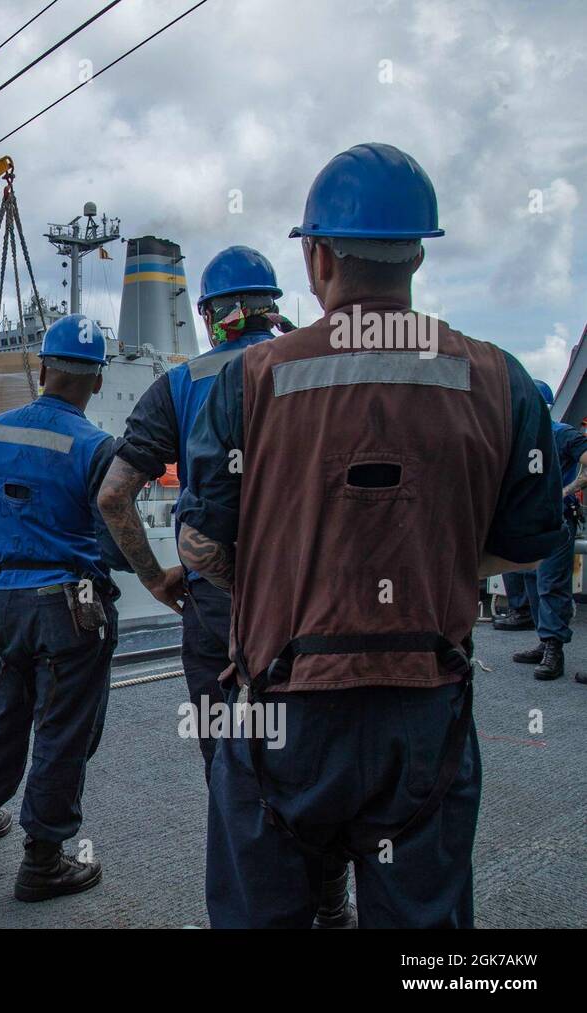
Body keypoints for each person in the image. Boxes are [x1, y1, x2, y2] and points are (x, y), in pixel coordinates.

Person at [175, 142, 562, 928]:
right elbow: (529, 543)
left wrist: (290, 577)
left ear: (316, 258)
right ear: (418, 254)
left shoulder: (253, 378)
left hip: (282, 707)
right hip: (426, 705)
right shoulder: (500, 377)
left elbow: (202, 545)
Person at [98, 247, 354, 927]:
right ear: (274, 303)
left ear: (210, 316)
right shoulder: (318, 365)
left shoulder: (181, 383)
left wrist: (156, 579)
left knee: (232, 754)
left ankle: (264, 897)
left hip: (219, 600)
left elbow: (115, 498)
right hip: (318, 597)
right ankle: (330, 893)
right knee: (323, 744)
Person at [0, 313, 161, 901]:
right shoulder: (97, 448)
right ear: (95, 382)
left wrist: (17, 542)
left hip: (8, 597)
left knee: (4, 709)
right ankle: (42, 861)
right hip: (73, 604)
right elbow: (115, 542)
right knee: (63, 729)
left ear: (41, 370)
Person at [498, 379, 587, 680]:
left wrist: (567, 490)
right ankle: (543, 640)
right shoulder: (520, 438)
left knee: (549, 583)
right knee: (532, 580)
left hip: (554, 521)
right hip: (527, 522)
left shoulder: (562, 435)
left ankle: (554, 650)